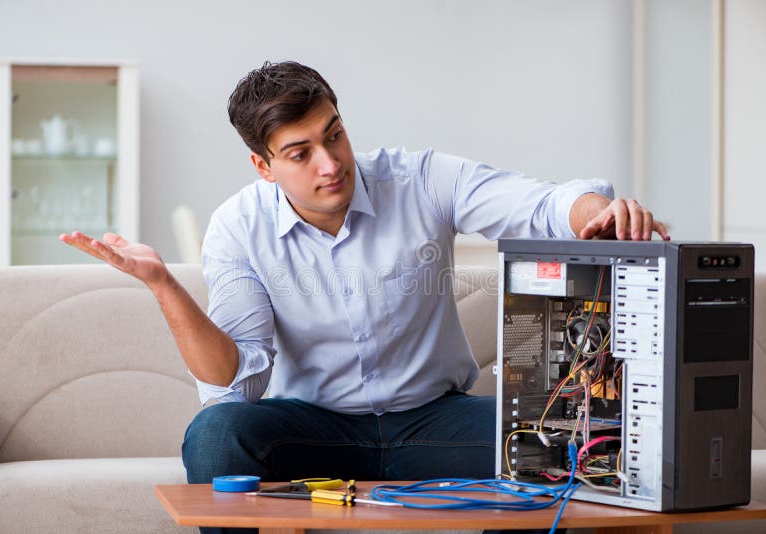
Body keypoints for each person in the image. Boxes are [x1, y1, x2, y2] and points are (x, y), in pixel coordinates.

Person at [61, 61, 669, 534]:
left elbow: (538, 205)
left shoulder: (421, 179)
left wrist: (602, 212)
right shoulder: (237, 227)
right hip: (314, 429)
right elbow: (236, 382)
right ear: (263, 165)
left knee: (579, 438)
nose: (331, 164)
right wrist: (164, 285)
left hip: (434, 419)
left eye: (335, 135)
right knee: (216, 434)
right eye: (301, 154)